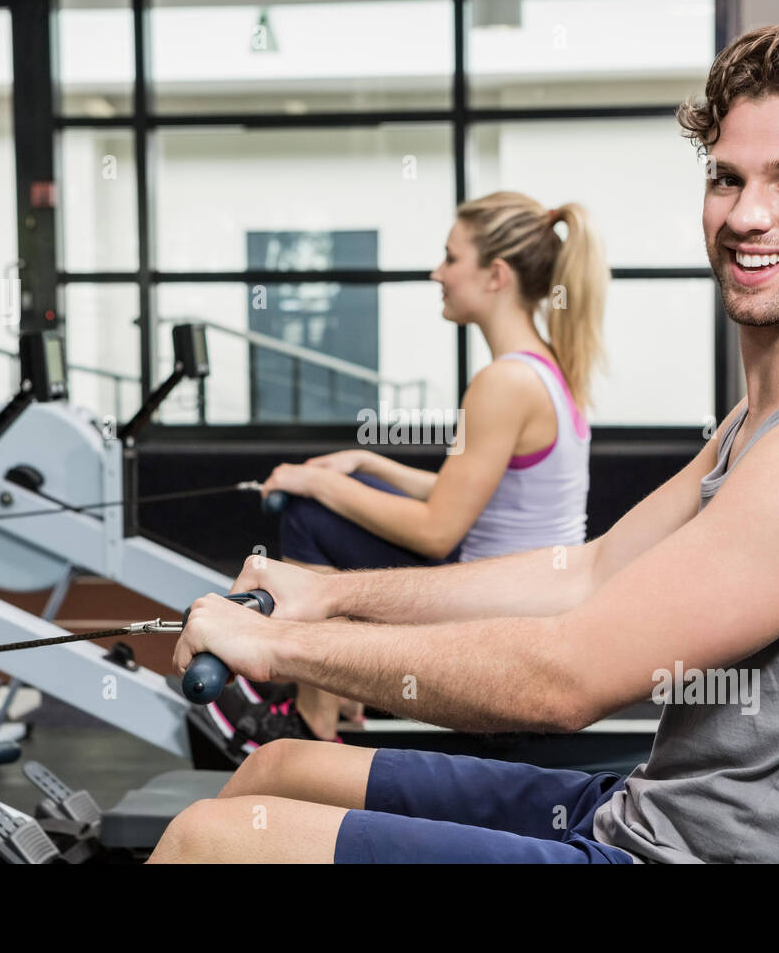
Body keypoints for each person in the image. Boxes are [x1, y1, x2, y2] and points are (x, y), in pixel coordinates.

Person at [154, 14, 779, 863]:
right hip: (652, 816)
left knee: (211, 842)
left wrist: (282, 644)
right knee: (279, 771)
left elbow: (566, 681)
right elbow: (586, 573)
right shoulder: (768, 418)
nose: (748, 214)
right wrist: (327, 597)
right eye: (727, 179)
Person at [195, 192, 608, 754]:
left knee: (309, 513)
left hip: (501, 603)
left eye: (450, 257)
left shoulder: (504, 383)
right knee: (344, 494)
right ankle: (332, 702)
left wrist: (316, 481)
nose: (437, 272)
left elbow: (437, 529)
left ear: (496, 275)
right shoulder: (543, 368)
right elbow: (459, 493)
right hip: (529, 588)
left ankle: (315, 718)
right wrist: (364, 463)